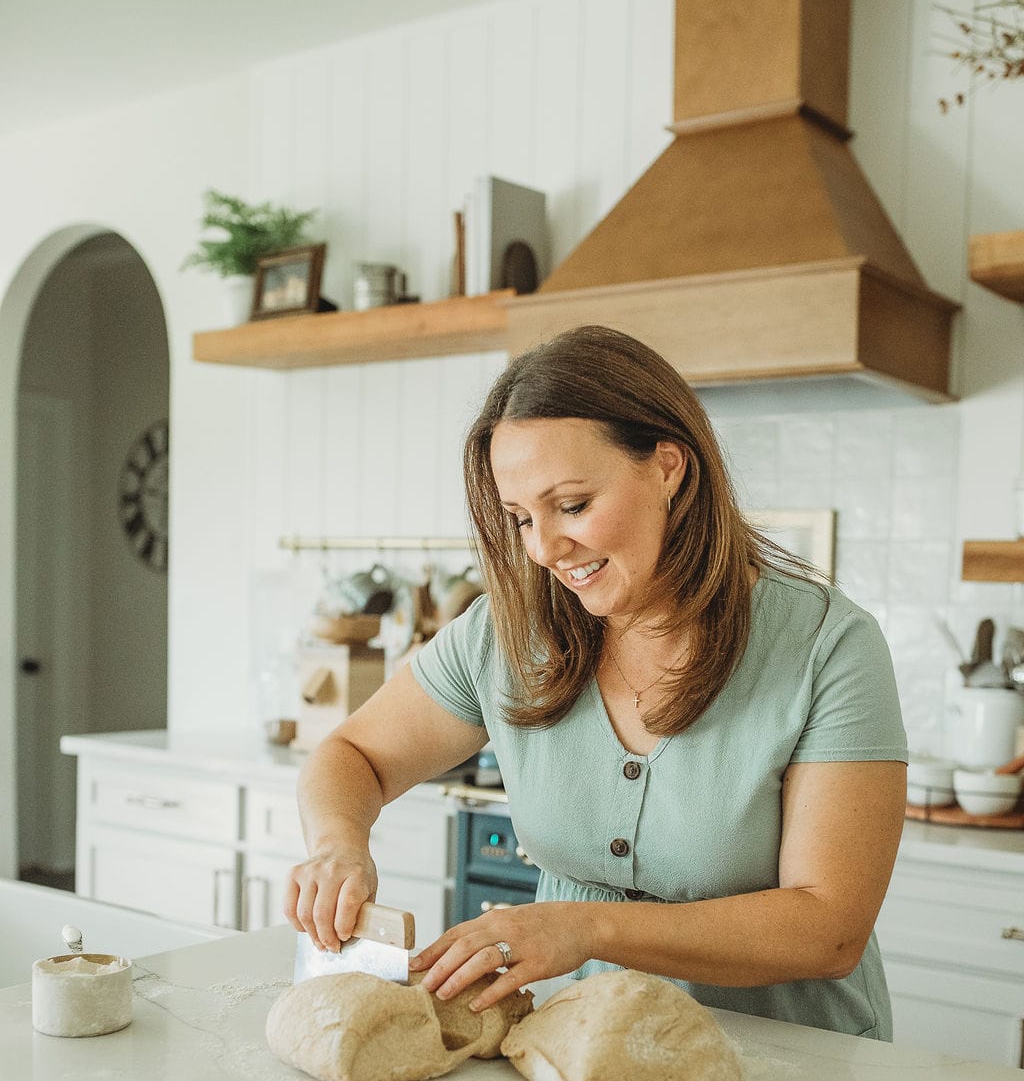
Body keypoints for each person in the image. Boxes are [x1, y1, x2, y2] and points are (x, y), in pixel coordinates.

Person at [285, 325, 907, 1040]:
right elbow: (352, 757)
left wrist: (587, 927)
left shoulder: (828, 646)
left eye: (572, 505)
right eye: (520, 518)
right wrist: (337, 842)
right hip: (572, 1054)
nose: (545, 550)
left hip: (795, 1072)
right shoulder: (506, 635)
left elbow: (828, 929)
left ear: (668, 465)